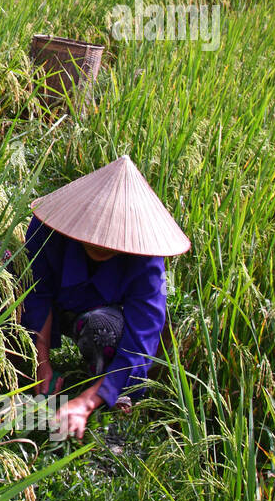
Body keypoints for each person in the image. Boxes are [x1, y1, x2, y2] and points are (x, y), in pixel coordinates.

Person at [20, 156, 190, 439]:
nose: (99, 244)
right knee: (5, 268)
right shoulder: (46, 230)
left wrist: (85, 402)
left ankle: (108, 388)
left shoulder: (147, 262)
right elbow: (36, 291)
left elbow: (142, 335)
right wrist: (42, 360)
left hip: (100, 315)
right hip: (58, 305)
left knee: (104, 331)